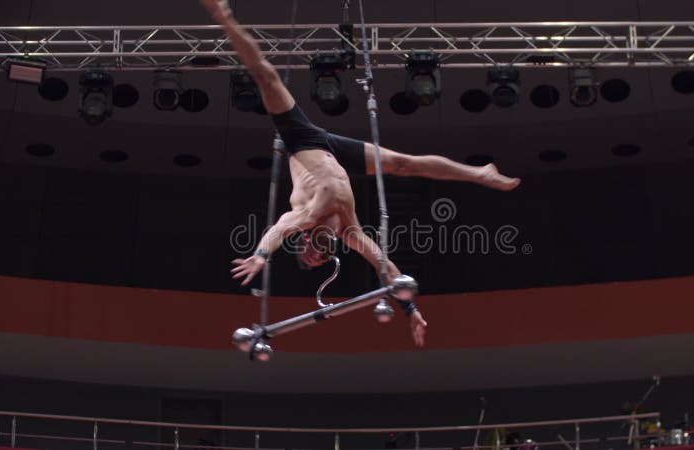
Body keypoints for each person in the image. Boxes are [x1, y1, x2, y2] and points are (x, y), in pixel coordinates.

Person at [200, 0, 522, 347]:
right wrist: (411, 309)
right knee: (404, 164)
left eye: (308, 254)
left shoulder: (305, 215)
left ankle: (223, 15)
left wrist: (261, 256)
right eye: (320, 260)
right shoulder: (351, 233)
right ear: (333, 252)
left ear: (305, 239)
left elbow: (278, 229)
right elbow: (388, 268)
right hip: (335, 156)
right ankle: (480, 175)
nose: (316, 255)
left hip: (301, 142)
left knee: (266, 76)